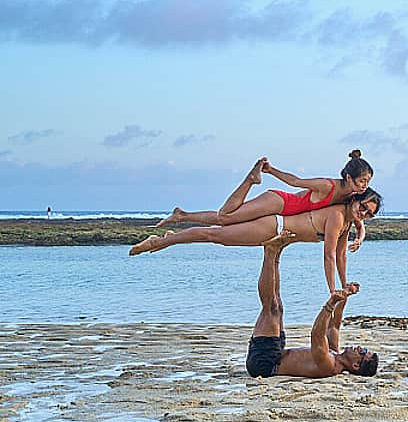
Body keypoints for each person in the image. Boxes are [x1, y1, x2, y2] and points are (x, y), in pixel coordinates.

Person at [130, 189, 382, 298]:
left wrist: (345, 282)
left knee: (221, 227)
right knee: (215, 234)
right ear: (354, 201)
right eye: (362, 207)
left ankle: (182, 216)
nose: (364, 214)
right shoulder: (337, 216)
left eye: (369, 213)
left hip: (277, 230)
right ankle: (161, 242)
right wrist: (331, 290)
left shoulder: (347, 222)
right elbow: (328, 256)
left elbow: (340, 257)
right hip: (274, 227)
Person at [156, 150, 374, 251]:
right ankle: (252, 179)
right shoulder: (329, 186)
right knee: (225, 217)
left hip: (281, 217)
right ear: (349, 177)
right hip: (280, 202)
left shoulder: (351, 198)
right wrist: (271, 171)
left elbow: (359, 221)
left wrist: (360, 238)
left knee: (225, 221)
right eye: (362, 180)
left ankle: (182, 215)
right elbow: (295, 181)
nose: (365, 185)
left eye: (367, 182)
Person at [245, 232, 378, 379]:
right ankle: (275, 253)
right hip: (277, 352)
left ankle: (270, 252)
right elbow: (334, 326)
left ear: (356, 365)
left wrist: (331, 303)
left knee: (272, 309)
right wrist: (345, 295)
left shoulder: (329, 365)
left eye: (363, 352)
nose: (360, 347)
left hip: (265, 364)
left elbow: (316, 334)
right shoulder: (334, 352)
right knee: (278, 307)